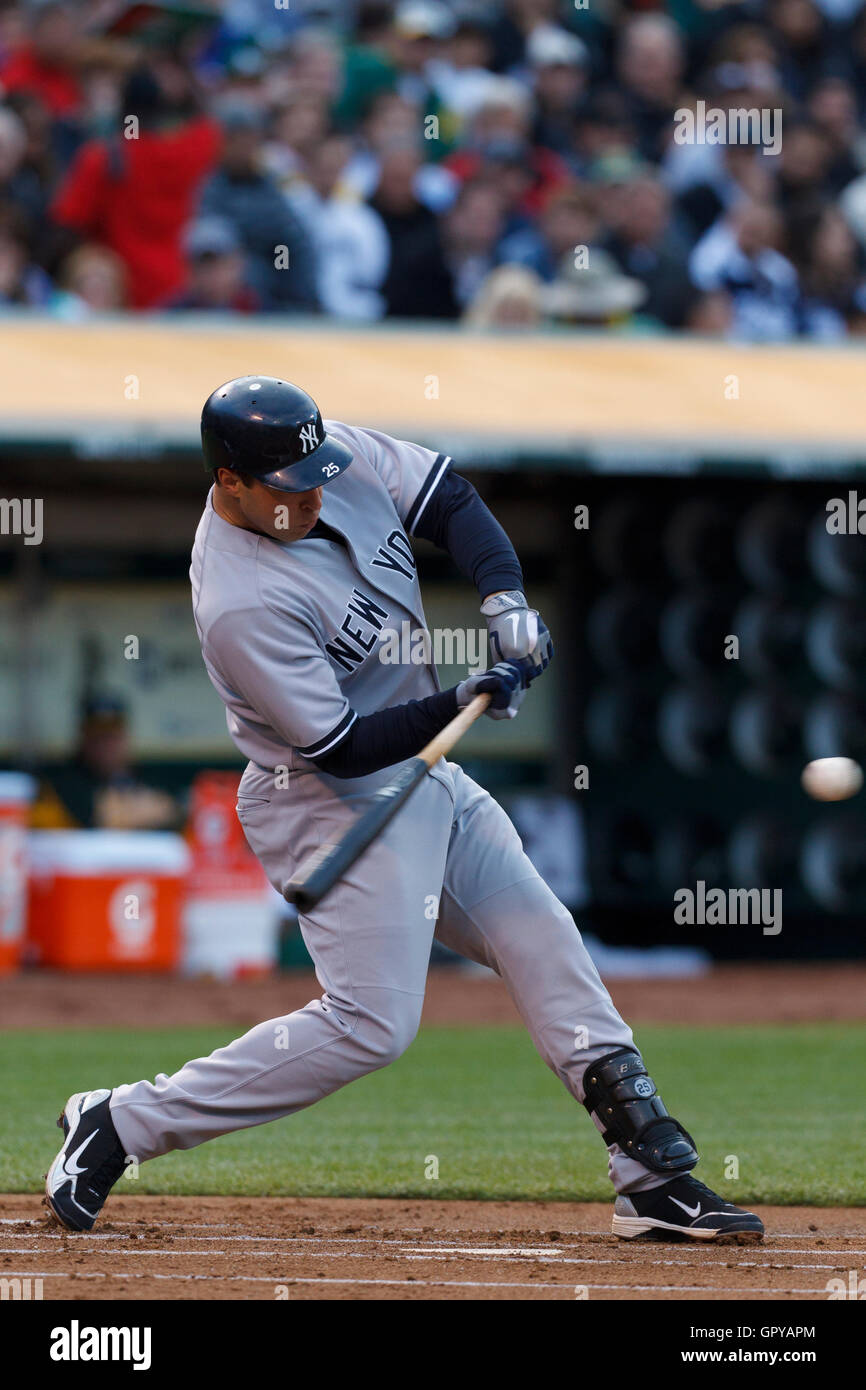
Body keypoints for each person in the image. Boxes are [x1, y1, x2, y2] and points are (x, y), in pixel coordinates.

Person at [46, 376, 764, 1247]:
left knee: (541, 938)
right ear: (229, 481)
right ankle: (122, 1124)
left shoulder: (317, 458)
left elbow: (449, 497)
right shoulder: (238, 598)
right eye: (286, 487)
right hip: (328, 801)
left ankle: (651, 1175)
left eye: (316, 472)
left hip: (426, 781)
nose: (310, 494)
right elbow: (340, 746)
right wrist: (464, 692)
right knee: (372, 1026)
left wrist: (503, 599)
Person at [31, 695, 178, 830]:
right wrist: (140, 810)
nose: (105, 744)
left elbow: (172, 810)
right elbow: (106, 818)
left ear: (125, 736)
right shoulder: (64, 781)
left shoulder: (147, 776)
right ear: (84, 737)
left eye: (112, 735)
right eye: (98, 736)